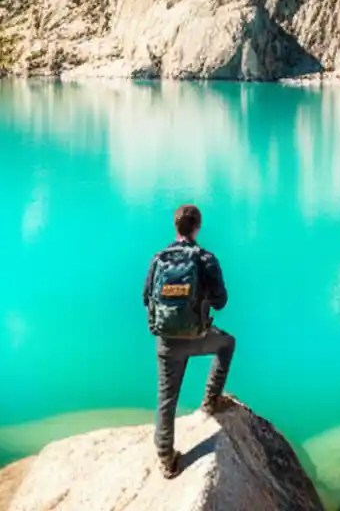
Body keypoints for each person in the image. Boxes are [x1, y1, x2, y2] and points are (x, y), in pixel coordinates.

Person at [142, 203, 235, 479]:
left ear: (176, 227)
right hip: (198, 336)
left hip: (166, 342)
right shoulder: (205, 259)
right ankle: (210, 401)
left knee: (166, 398)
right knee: (227, 344)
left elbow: (146, 298)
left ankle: (166, 458)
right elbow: (221, 302)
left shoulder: (159, 259)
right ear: (197, 227)